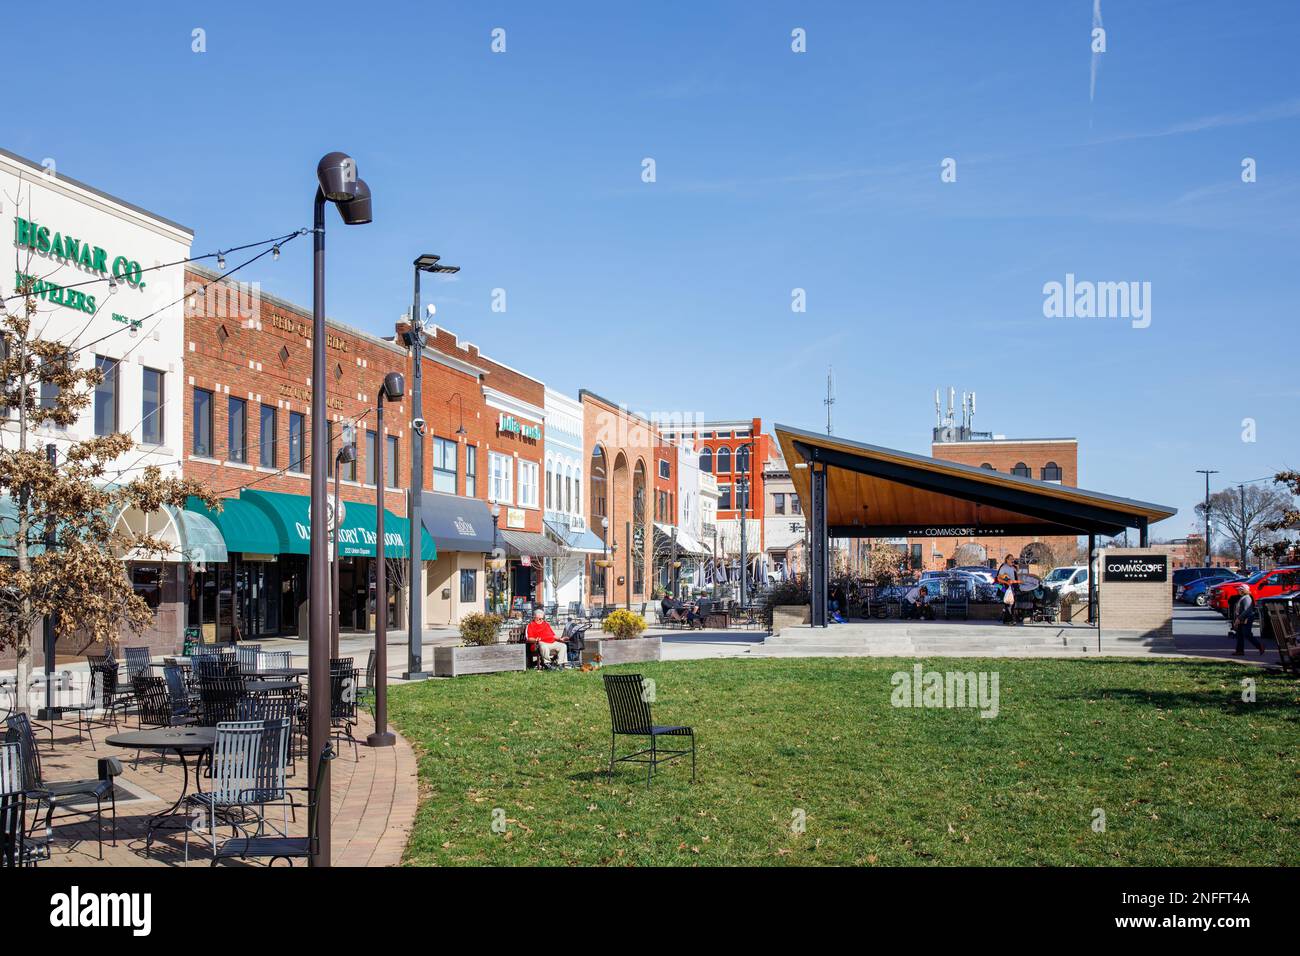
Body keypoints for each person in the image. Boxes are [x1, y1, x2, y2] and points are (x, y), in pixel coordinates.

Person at [1231, 585, 1264, 656]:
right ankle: (1239, 651)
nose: (1238, 591)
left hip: (1247, 618)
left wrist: (1238, 618)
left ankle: (1259, 646)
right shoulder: (1243, 597)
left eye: (1239, 589)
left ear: (1243, 590)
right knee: (1239, 634)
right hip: (1242, 618)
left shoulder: (1247, 598)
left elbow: (1247, 610)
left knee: (1247, 634)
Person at [997, 554, 1018, 625]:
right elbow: (999, 578)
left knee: (1010, 604)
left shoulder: (1012, 567)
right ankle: (1010, 620)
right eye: (1011, 559)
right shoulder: (1004, 567)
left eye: (1013, 559)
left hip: (1011, 587)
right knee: (1009, 605)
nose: (1012, 560)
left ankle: (1006, 620)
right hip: (1006, 587)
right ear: (1007, 560)